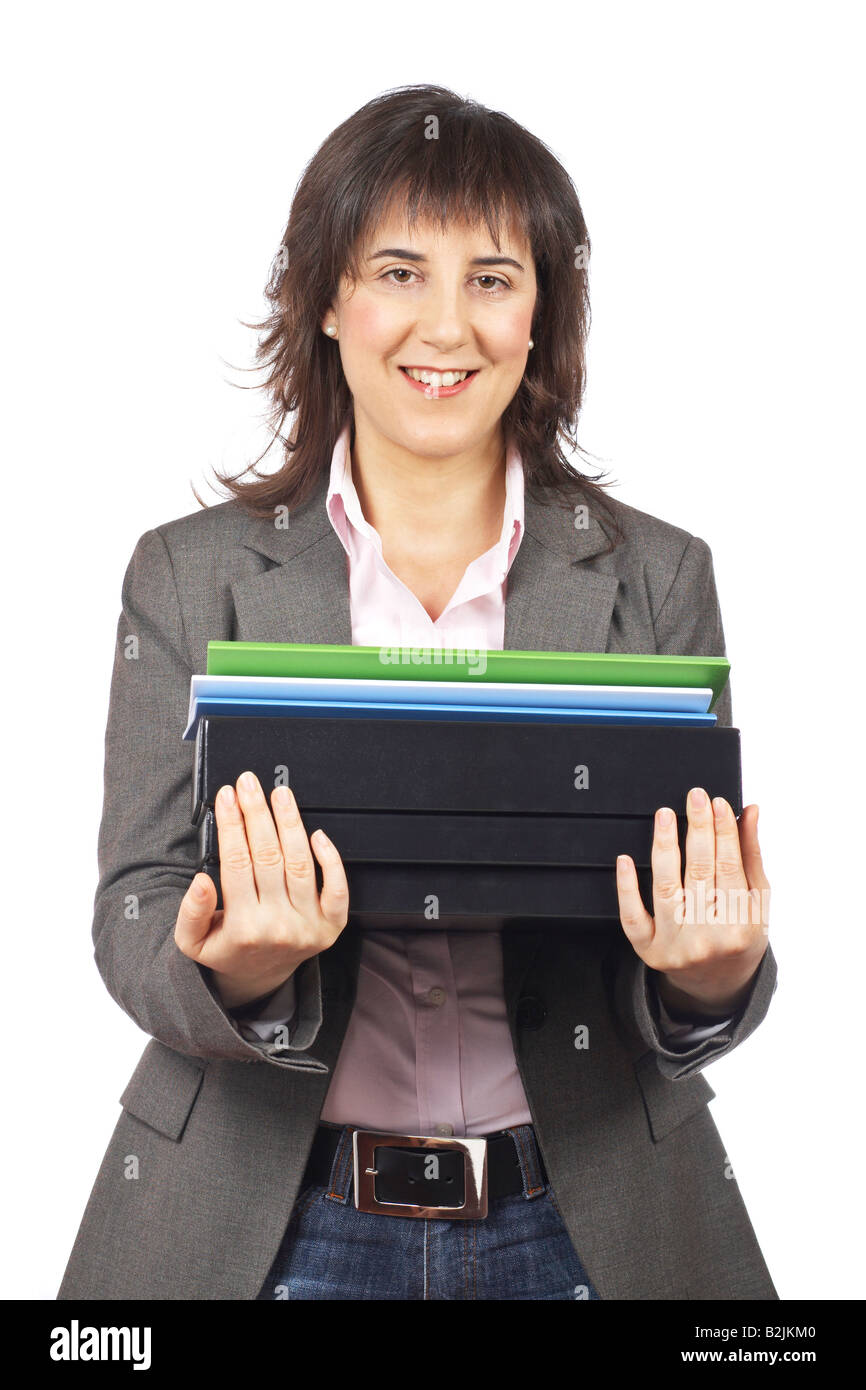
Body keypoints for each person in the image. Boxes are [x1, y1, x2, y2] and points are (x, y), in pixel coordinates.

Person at [58, 84, 777, 1301]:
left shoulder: (659, 575)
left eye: (492, 278)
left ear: (541, 313)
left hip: (582, 1215)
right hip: (269, 1219)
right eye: (398, 270)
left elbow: (691, 921)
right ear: (327, 299)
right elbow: (133, 905)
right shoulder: (186, 575)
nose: (445, 325)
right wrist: (235, 966)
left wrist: (709, 975)